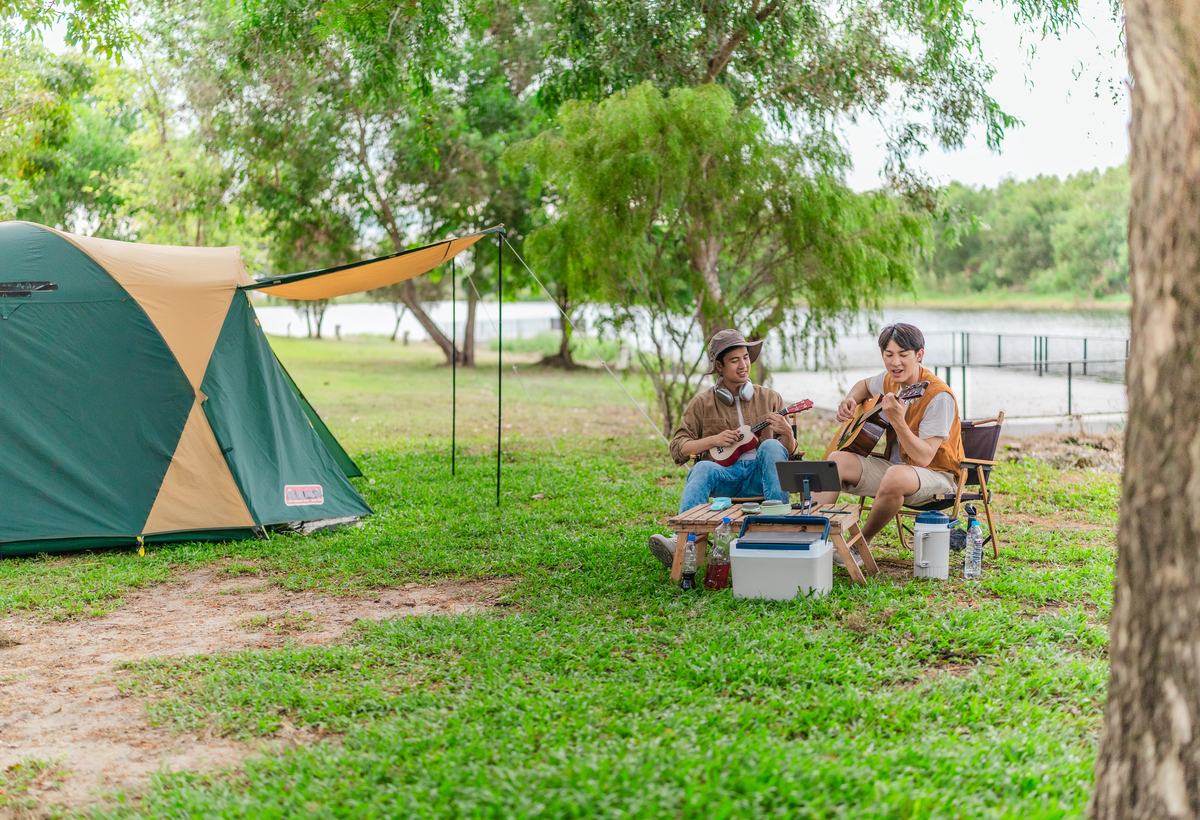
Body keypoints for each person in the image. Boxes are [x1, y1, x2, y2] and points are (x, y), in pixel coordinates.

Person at [647, 329, 799, 569]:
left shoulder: (770, 398)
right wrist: (713, 440)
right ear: (719, 366)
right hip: (726, 478)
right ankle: (682, 542)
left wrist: (788, 434)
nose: (743, 365)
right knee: (703, 468)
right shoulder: (702, 403)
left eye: (746, 358)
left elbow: (789, 454)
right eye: (734, 360)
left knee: (771, 445)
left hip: (764, 477)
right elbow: (679, 448)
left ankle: (777, 531)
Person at [813, 323, 963, 563]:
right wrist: (850, 399)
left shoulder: (939, 396)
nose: (896, 363)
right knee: (835, 461)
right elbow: (863, 385)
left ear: (919, 355)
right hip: (896, 469)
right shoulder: (891, 380)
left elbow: (924, 457)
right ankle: (811, 539)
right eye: (889, 355)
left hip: (937, 475)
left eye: (903, 355)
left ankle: (860, 546)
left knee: (896, 475)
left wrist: (898, 422)